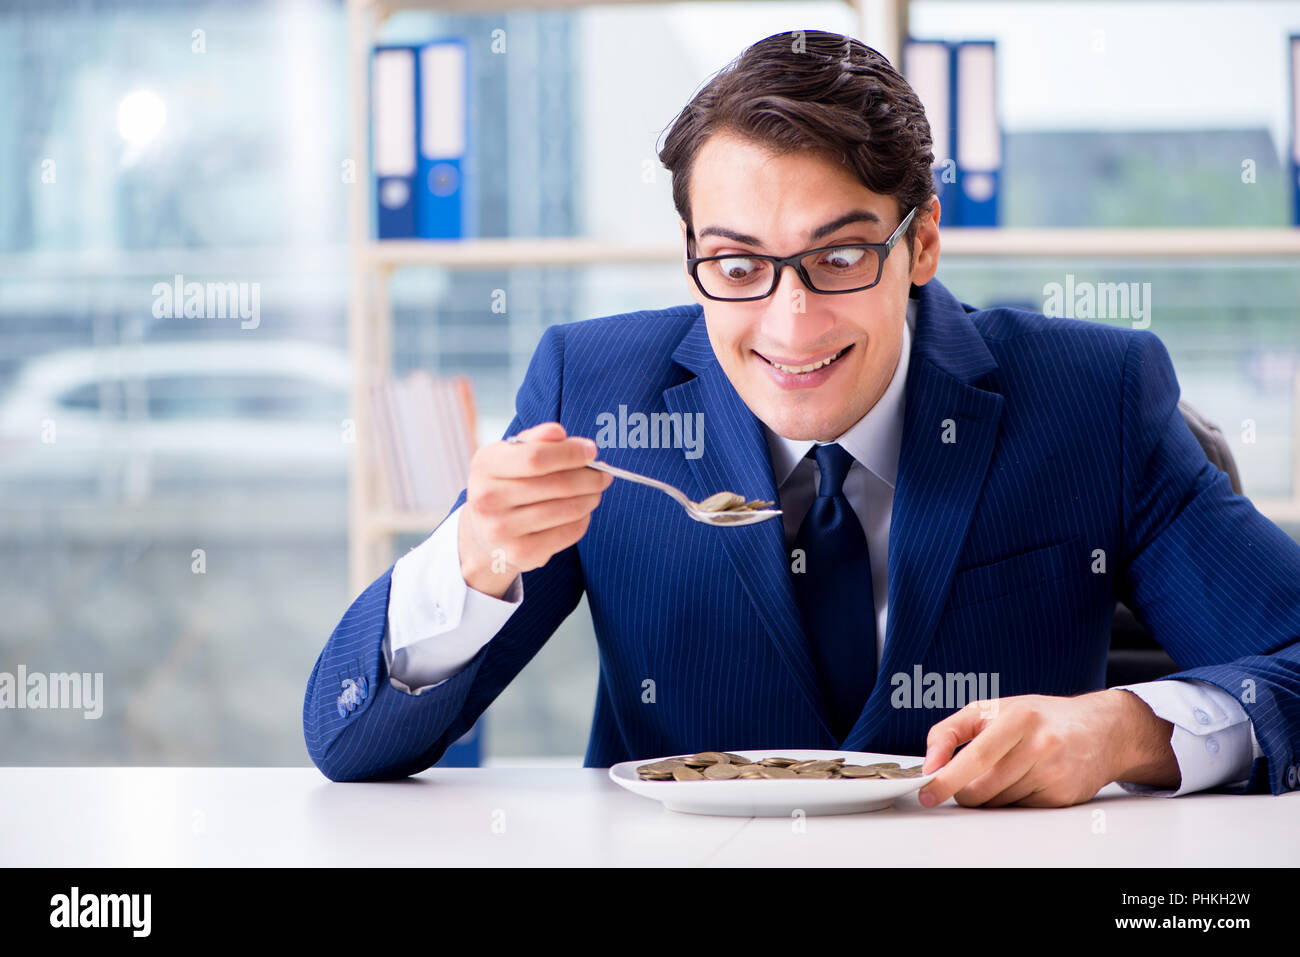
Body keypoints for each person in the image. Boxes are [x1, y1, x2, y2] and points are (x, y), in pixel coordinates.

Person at [304, 30, 1300, 807]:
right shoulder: (596, 392)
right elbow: (347, 743)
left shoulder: (1091, 399)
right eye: (736, 266)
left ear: (922, 245)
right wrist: (472, 561)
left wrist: (1119, 732)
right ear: (690, 251)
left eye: (837, 258)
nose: (789, 323)